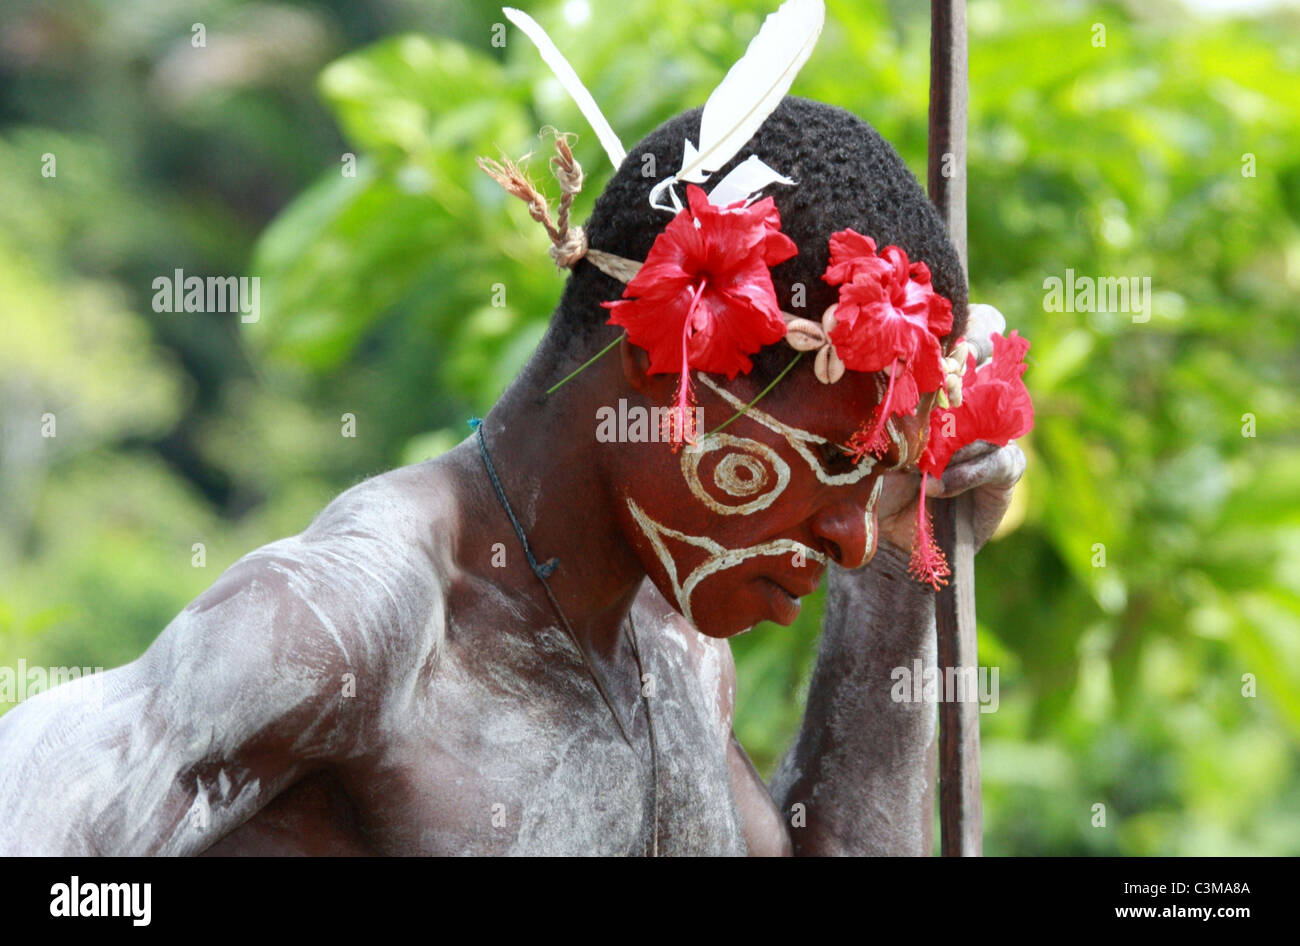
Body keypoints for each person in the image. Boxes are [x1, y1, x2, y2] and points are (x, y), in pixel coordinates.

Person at [0, 0, 1033, 854]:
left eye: (879, 475)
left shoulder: (674, 660)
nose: (848, 532)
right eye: (837, 462)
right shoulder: (342, 635)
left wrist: (901, 570)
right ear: (664, 364)